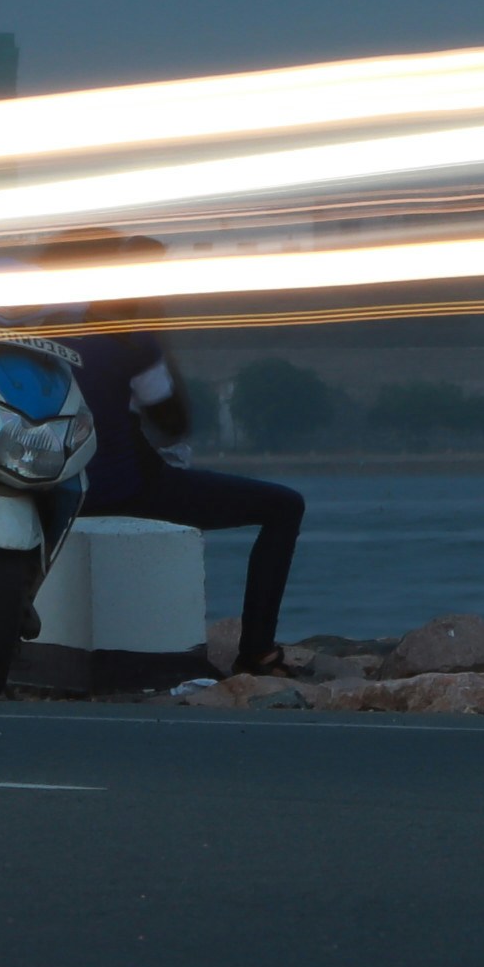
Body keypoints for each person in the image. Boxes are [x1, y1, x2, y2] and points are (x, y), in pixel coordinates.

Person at [45, 245, 305, 675]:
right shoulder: (130, 342)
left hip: (52, 488)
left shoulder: (45, 332)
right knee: (284, 507)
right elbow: (173, 421)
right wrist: (157, 339)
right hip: (121, 490)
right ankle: (258, 651)